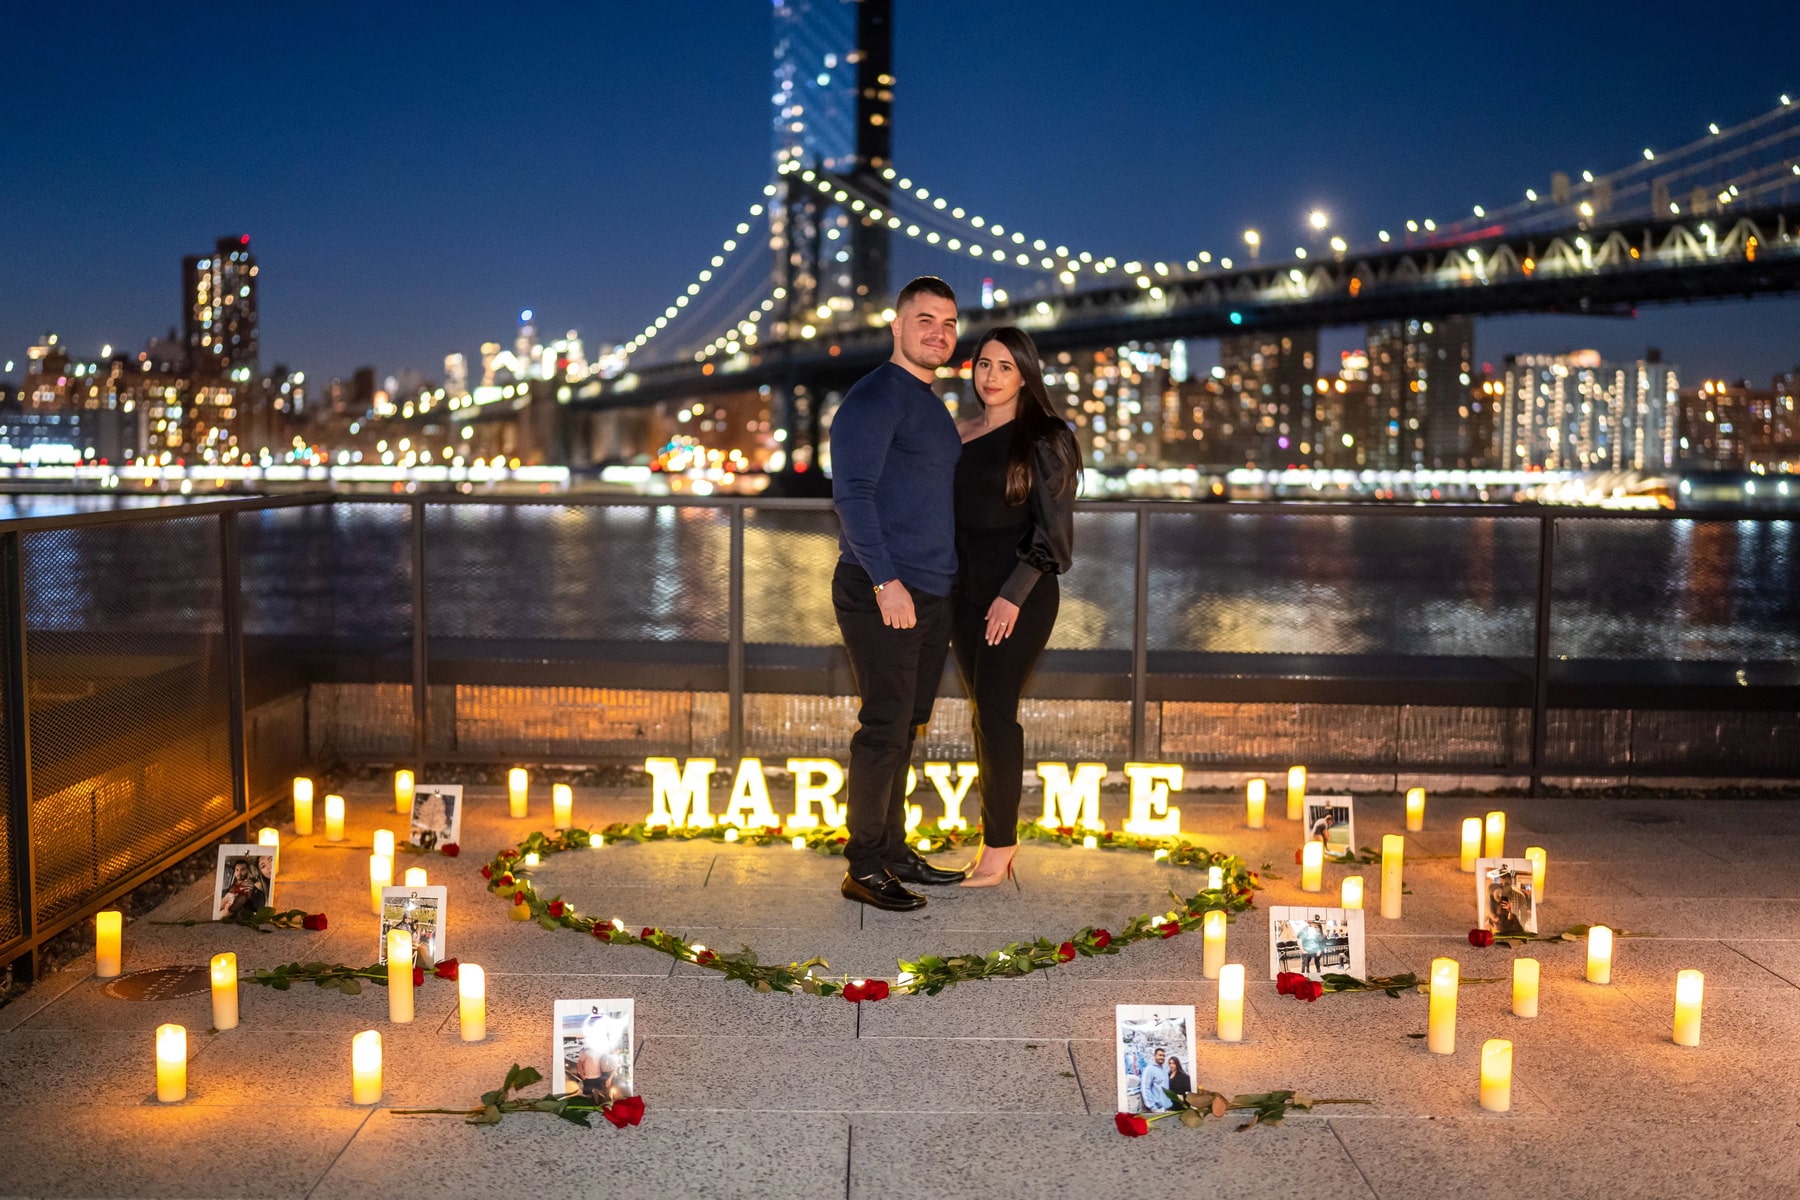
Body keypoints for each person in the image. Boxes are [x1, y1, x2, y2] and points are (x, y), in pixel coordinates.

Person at [830, 276, 968, 911]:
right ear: (897, 325)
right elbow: (852, 494)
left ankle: (892, 848)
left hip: (930, 590)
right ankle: (863, 866)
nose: (937, 333)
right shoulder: (875, 396)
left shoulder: (927, 400)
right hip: (884, 587)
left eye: (948, 323)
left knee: (907, 726)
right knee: (883, 726)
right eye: (925, 321)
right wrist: (886, 581)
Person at [950, 327, 1078, 887]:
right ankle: (994, 835)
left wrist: (1011, 595)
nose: (991, 376)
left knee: (997, 712)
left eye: (1005, 366)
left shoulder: (1046, 438)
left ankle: (1000, 845)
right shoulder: (958, 432)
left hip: (1018, 595)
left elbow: (1056, 539)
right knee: (981, 711)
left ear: (1025, 373)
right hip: (962, 592)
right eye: (983, 364)